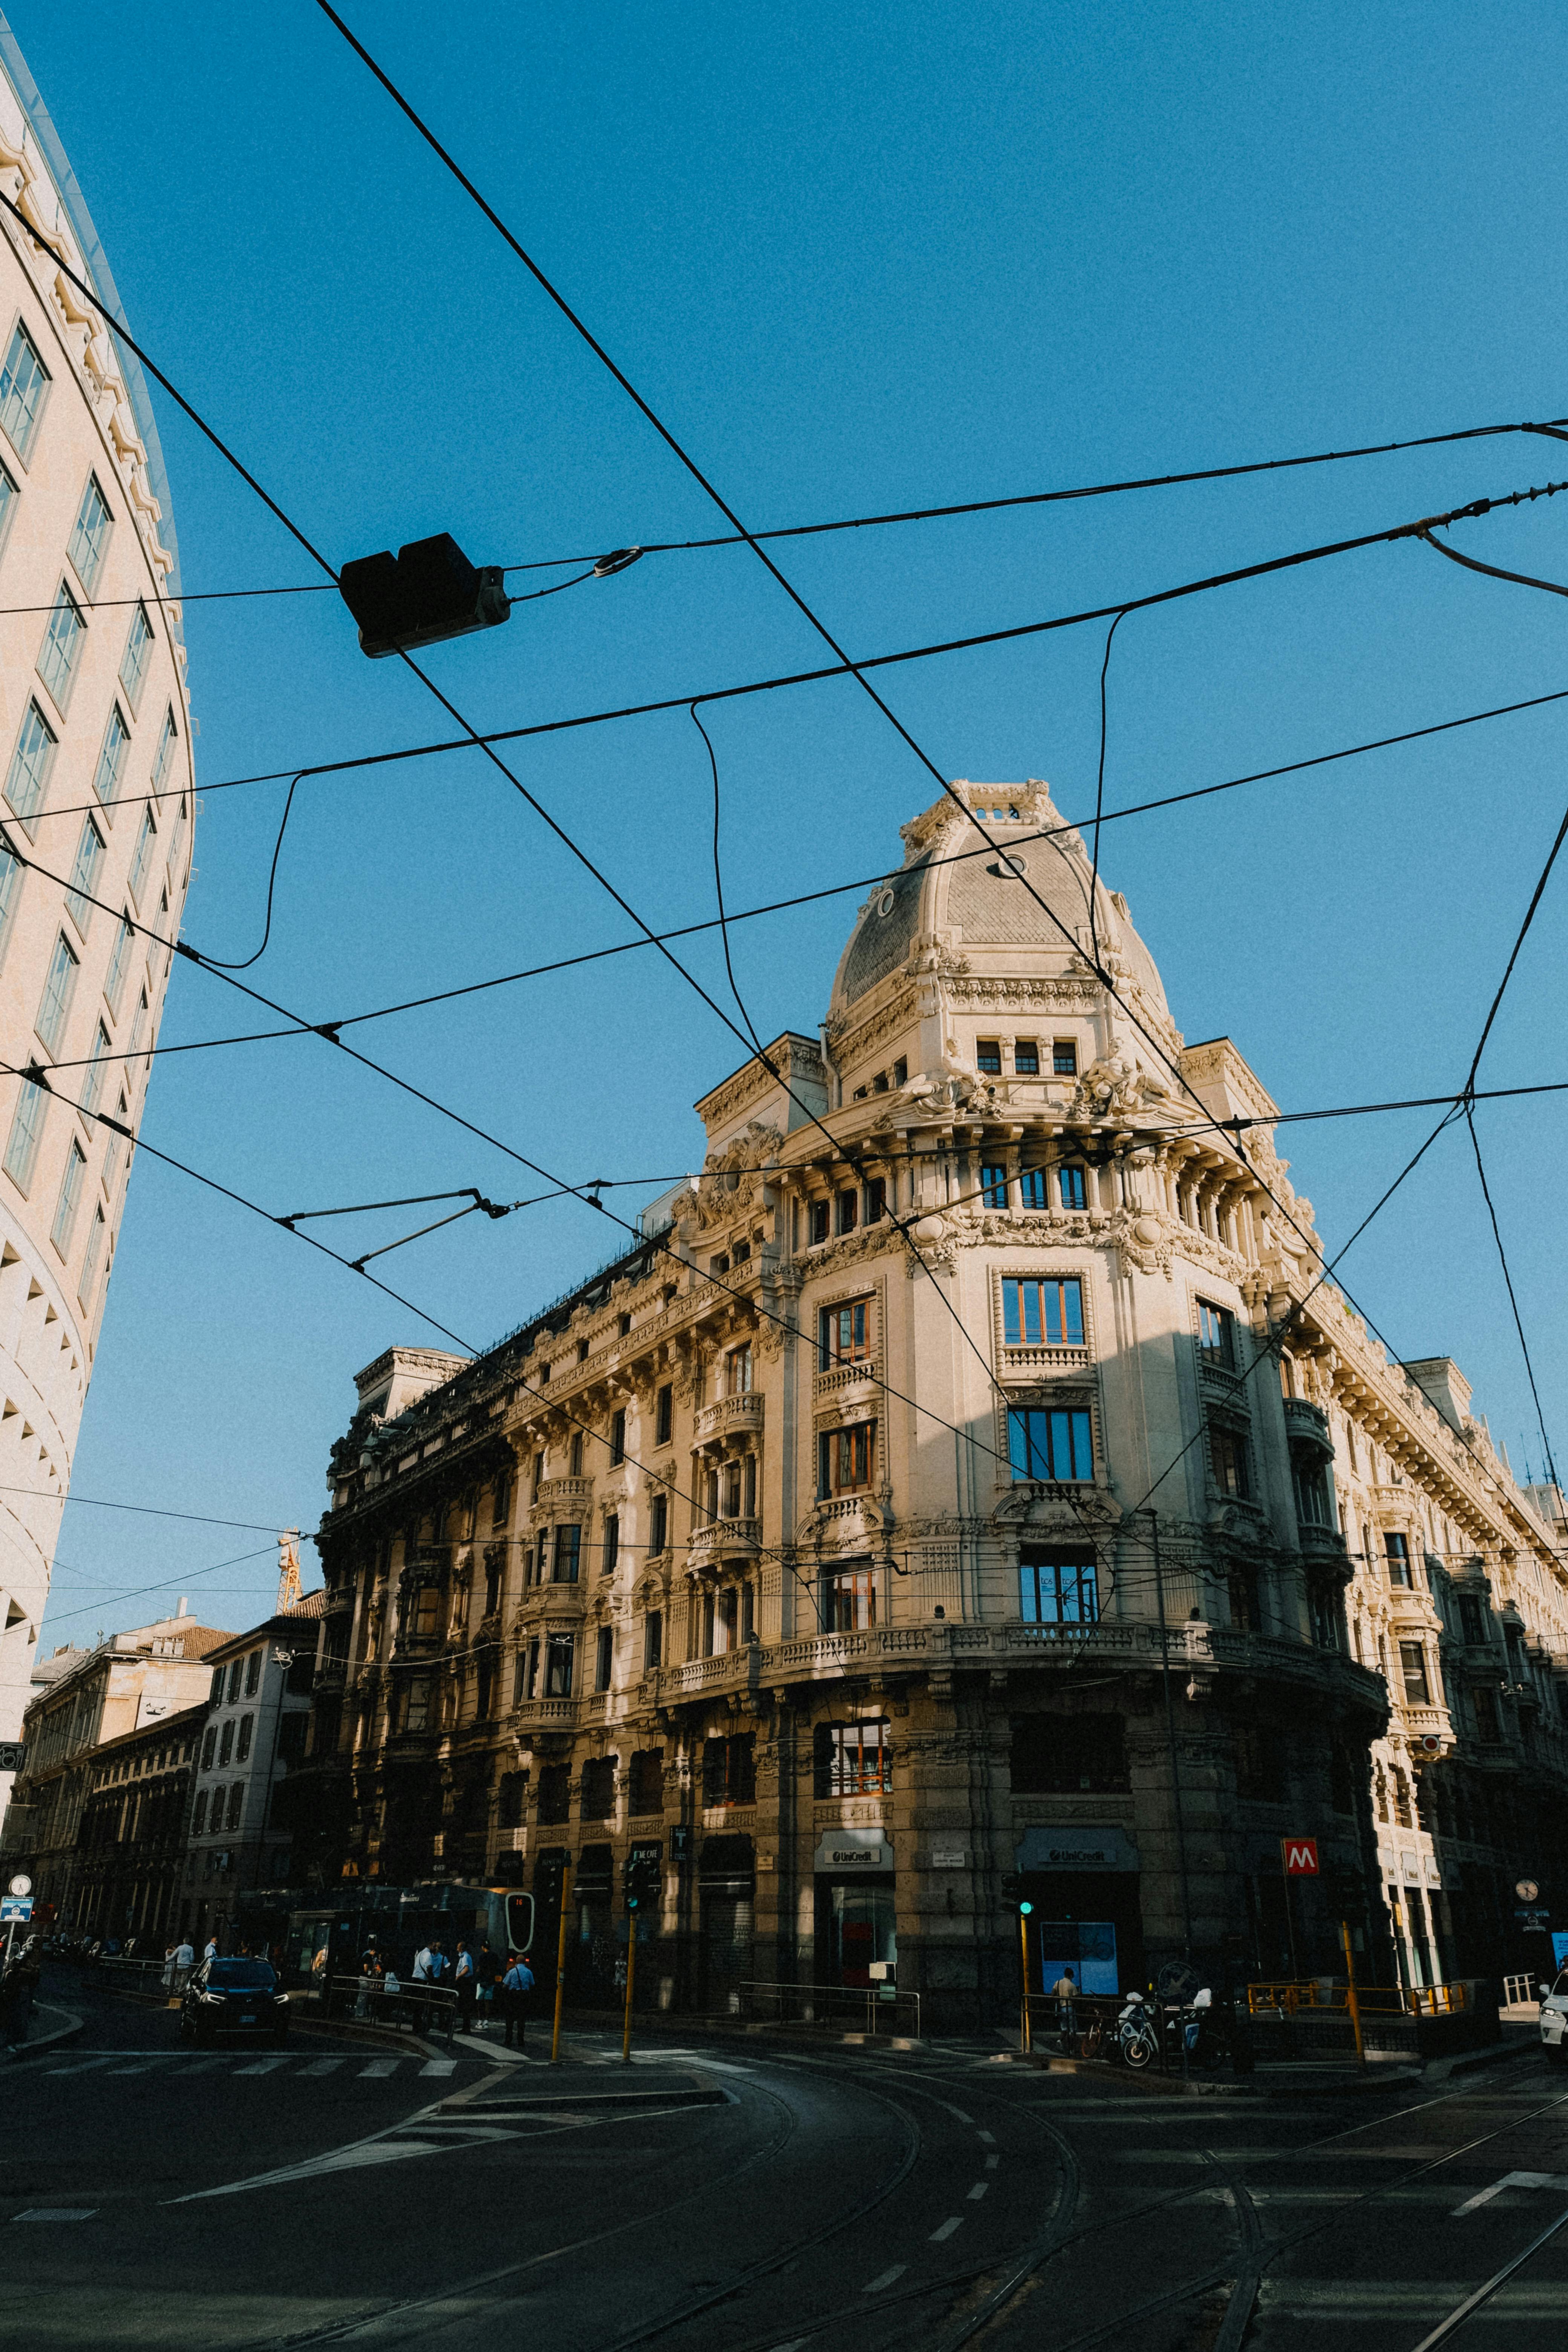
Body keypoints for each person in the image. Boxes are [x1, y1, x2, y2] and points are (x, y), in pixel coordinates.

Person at [501, 1952, 535, 2050]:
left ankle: (508, 2040)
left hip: (513, 1996)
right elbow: (532, 1984)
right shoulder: (529, 1972)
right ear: (525, 1962)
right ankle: (521, 2040)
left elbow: (505, 1985)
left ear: (516, 1961)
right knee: (521, 2020)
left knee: (510, 2019)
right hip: (524, 1996)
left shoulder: (512, 1972)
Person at [453, 1939, 476, 2034]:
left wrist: (459, 1976)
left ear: (462, 1949)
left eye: (458, 1948)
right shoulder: (464, 1957)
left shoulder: (465, 1957)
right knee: (464, 2005)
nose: (457, 1950)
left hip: (465, 1982)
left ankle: (466, 2028)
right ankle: (465, 2027)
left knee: (464, 2005)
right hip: (465, 1981)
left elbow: (466, 1969)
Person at [1053, 1965, 1078, 2050]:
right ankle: (1072, 2050)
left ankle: (1059, 2041)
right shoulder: (1072, 1986)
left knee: (1064, 2029)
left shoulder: (1058, 1983)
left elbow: (1053, 1994)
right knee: (1073, 2030)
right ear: (1071, 1976)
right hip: (1070, 2009)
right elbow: (1075, 1999)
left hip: (1061, 2008)